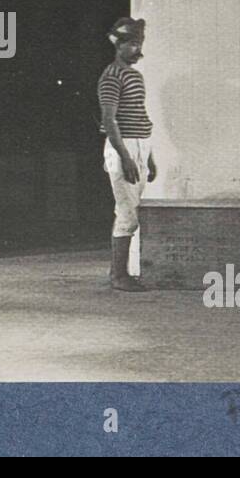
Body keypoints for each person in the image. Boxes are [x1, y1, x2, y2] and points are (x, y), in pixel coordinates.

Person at [97, 17, 155, 293]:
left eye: (139, 43)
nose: (137, 48)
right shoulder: (111, 76)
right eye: (131, 43)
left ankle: (121, 273)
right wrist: (126, 157)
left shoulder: (135, 75)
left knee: (134, 211)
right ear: (118, 45)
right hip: (123, 147)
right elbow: (110, 121)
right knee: (127, 213)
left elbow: (139, 117)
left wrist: (149, 156)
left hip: (140, 145)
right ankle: (118, 275)